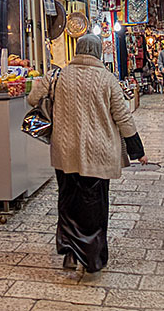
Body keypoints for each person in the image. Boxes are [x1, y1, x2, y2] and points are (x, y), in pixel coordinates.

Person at [29, 35, 145, 275]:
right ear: (98, 52)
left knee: (69, 202)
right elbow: (122, 116)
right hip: (98, 154)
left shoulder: (57, 76)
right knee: (94, 205)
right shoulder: (107, 78)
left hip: (65, 152)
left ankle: (70, 251)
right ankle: (91, 258)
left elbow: (32, 99)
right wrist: (137, 150)